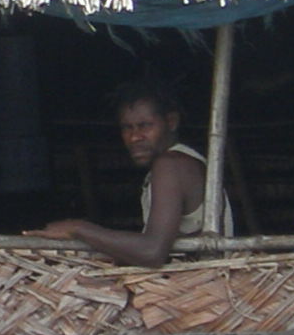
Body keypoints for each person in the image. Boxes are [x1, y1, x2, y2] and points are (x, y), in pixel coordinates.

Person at [29, 77, 209, 264]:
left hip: (193, 287)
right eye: (127, 128)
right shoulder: (183, 162)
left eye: (144, 125)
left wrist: (77, 228)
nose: (134, 137)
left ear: (171, 121)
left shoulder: (172, 164)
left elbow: (152, 251)